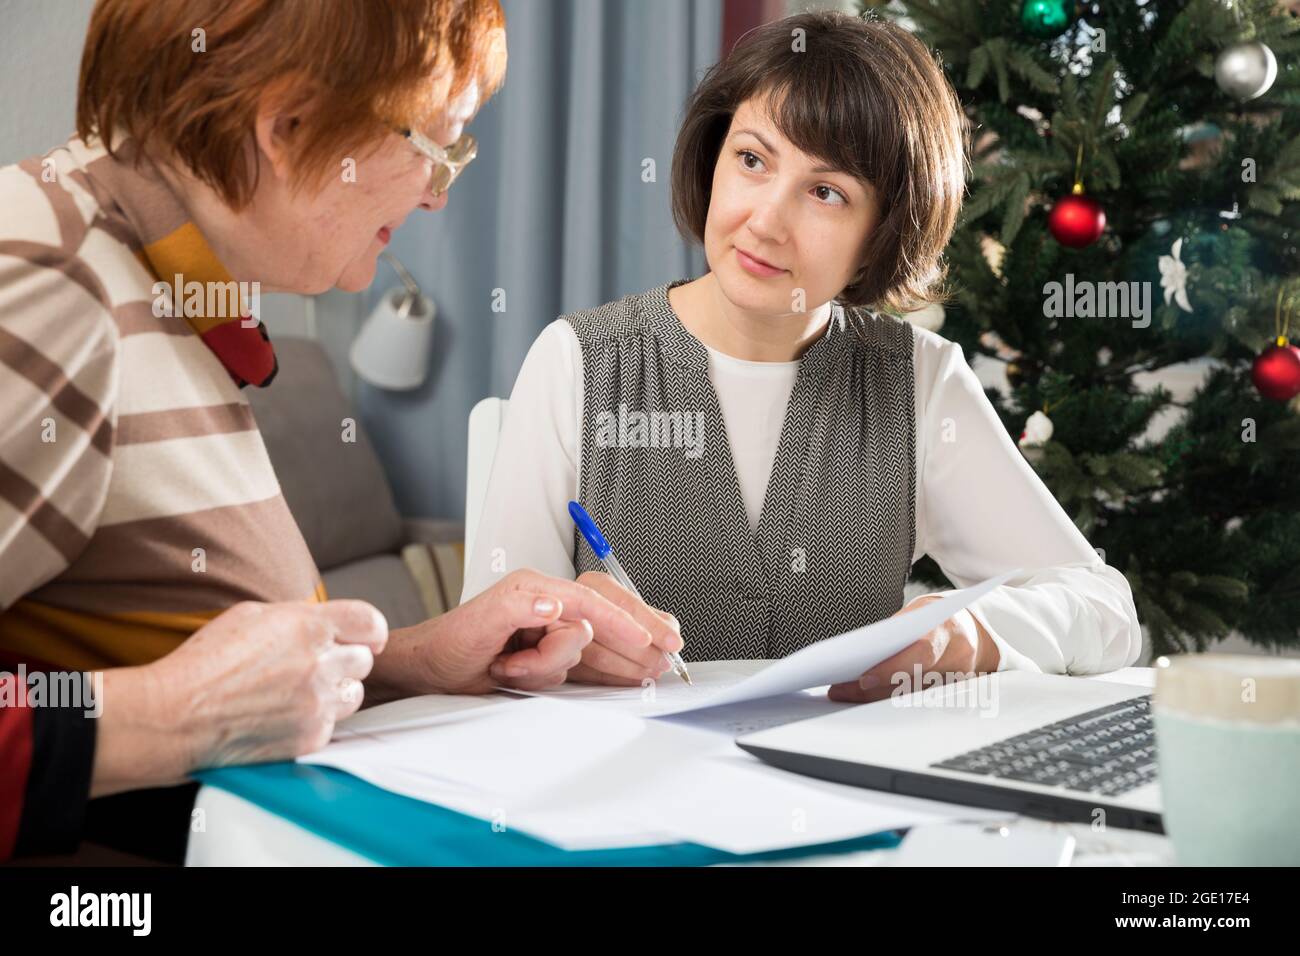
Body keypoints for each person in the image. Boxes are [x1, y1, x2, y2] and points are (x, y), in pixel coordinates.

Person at [0, 0, 678, 862]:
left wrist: (415, 662)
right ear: (291, 122)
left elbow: (181, 656)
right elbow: (176, 701)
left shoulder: (157, 276)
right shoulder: (48, 288)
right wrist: (171, 721)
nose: (437, 197)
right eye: (438, 149)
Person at [463, 12, 1142, 696]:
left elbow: (1106, 611)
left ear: (882, 234)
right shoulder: (576, 361)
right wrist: (561, 645)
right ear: (713, 155)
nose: (765, 221)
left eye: (826, 192)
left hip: (833, 795)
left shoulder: (919, 382)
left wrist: (968, 632)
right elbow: (490, 646)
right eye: (752, 160)